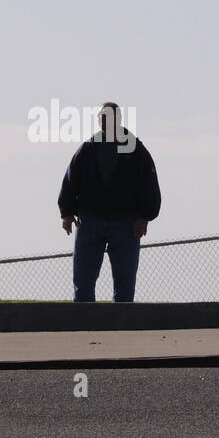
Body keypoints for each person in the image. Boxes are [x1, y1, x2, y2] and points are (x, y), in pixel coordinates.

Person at [57, 102, 161, 302]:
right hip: (89, 222)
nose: (105, 121)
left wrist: (145, 217)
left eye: (110, 117)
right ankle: (84, 324)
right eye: (102, 117)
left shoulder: (135, 149)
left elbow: (149, 182)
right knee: (83, 279)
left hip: (126, 223)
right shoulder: (87, 149)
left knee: (124, 280)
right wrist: (67, 213)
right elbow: (71, 179)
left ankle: (122, 326)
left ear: (119, 119)